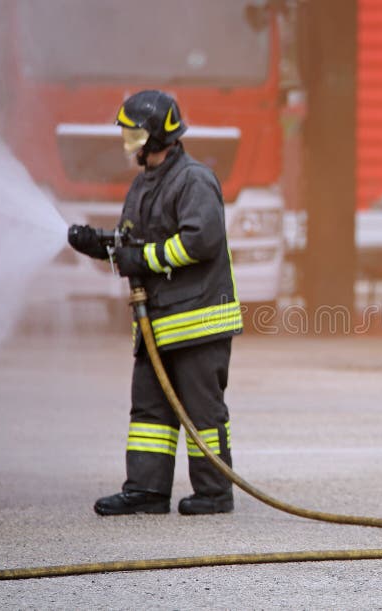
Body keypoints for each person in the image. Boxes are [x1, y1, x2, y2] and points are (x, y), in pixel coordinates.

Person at [68, 90, 243, 516]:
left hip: (198, 322)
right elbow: (134, 243)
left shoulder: (193, 179)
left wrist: (141, 258)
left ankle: (214, 493)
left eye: (134, 134)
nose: (128, 143)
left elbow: (200, 241)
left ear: (157, 135)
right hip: (157, 325)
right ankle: (146, 490)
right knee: (149, 414)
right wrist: (100, 245)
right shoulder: (144, 184)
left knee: (202, 413)